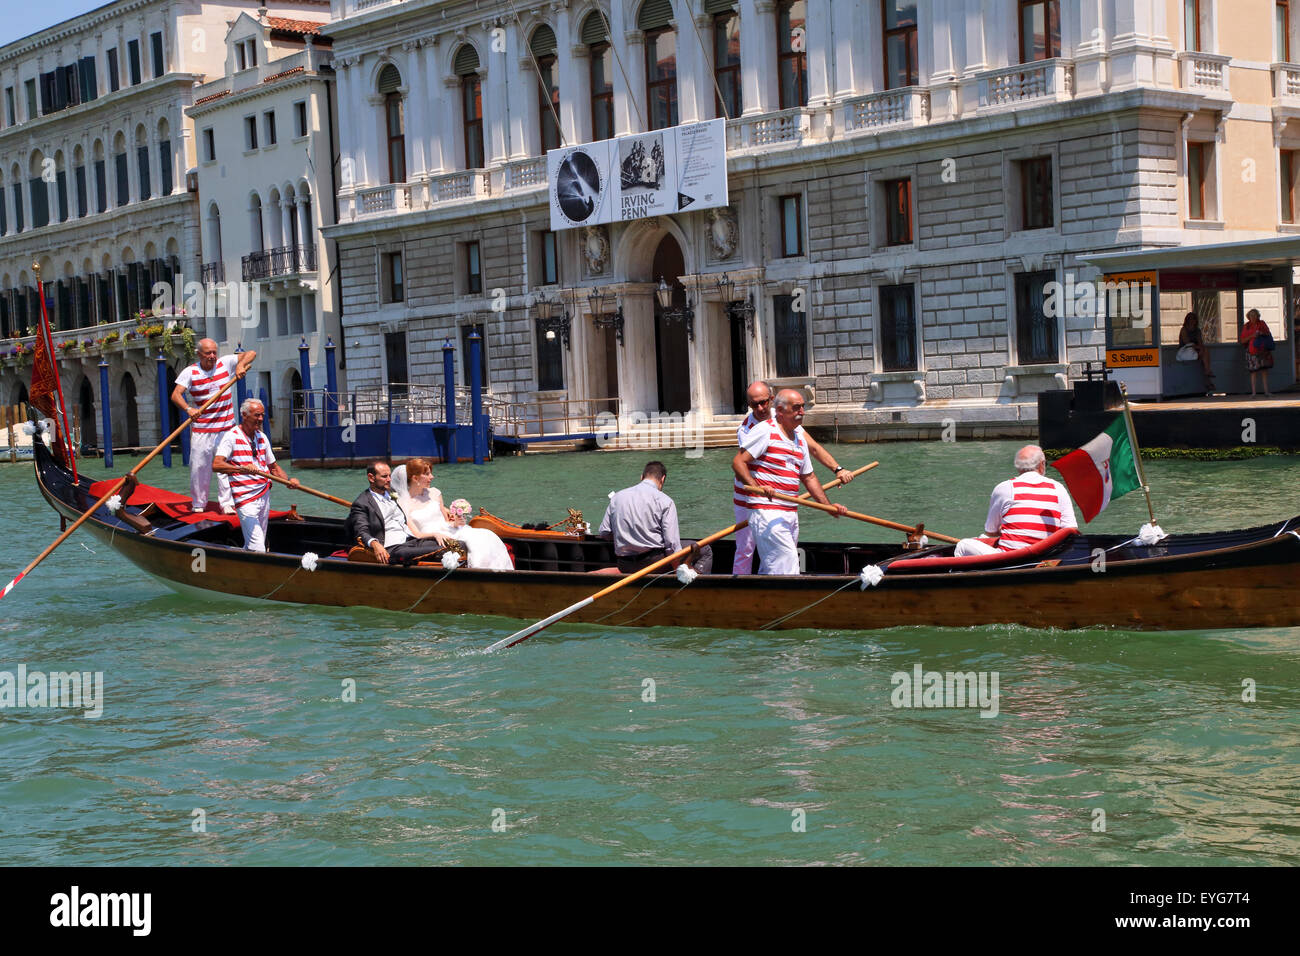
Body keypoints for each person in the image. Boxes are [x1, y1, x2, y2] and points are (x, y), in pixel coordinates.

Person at [732, 379, 853, 574]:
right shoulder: (754, 430)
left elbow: (810, 474)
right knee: (749, 550)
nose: (761, 407)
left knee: (781, 563)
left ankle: (760, 594)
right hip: (759, 502)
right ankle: (739, 588)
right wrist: (757, 487)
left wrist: (829, 503)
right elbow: (739, 462)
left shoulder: (795, 432)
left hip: (787, 507)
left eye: (764, 402)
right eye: (755, 404)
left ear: (772, 400)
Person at [171, 339, 257, 514]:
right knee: (199, 468)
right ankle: (198, 504)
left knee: (225, 466)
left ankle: (227, 504)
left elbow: (252, 354)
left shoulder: (225, 363)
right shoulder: (190, 372)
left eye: (214, 352)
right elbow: (176, 395)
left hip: (226, 428)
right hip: (202, 430)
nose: (212, 356)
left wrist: (240, 365)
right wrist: (189, 409)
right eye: (208, 353)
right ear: (199, 354)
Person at [953, 445, 1077, 557]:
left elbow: (990, 532)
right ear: (1042, 464)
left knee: (963, 545)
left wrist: (1003, 530)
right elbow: (1070, 529)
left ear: (1018, 466)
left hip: (1011, 557)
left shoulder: (1004, 488)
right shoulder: (1058, 488)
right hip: (1047, 555)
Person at [393, 458, 513, 570]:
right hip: (431, 537)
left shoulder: (434, 493)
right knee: (474, 542)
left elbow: (446, 521)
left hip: (449, 529)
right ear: (415, 478)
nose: (432, 477)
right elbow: (417, 534)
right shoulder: (403, 504)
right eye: (427, 474)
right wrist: (435, 534)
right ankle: (479, 573)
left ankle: (500, 572)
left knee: (487, 535)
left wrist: (456, 522)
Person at [212, 398, 297, 552]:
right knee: (258, 547)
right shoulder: (231, 436)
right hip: (245, 499)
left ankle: (238, 560)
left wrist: (288, 481)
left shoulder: (262, 438)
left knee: (257, 544)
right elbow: (216, 465)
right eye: (257, 415)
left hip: (264, 495)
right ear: (244, 415)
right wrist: (241, 469)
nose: (261, 419)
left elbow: (274, 468)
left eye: (262, 415)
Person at [598, 461, 713, 574]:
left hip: (625, 565)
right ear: (662, 479)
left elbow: (604, 532)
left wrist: (626, 538)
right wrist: (677, 571)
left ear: (642, 477)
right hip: (654, 564)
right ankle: (696, 585)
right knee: (705, 549)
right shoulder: (665, 501)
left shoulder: (617, 498)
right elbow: (671, 545)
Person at [345, 461, 459, 565]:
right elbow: (361, 531)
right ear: (371, 477)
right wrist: (375, 544)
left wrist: (446, 510)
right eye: (384, 476)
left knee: (458, 544)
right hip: (393, 547)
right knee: (445, 549)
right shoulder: (362, 503)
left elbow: (416, 501)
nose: (389, 479)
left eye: (390, 475)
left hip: (412, 540)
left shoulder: (393, 494)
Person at [1238, 308, 1274, 398]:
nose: (1253, 317)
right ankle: (1254, 393)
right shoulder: (1247, 326)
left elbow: (1268, 333)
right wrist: (1252, 336)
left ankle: (1266, 392)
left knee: (1264, 370)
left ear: (1258, 316)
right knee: (1253, 372)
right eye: (1251, 315)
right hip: (1252, 351)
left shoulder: (1262, 323)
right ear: (1248, 317)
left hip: (1263, 350)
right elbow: (1242, 340)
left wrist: (1261, 333)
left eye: (1255, 315)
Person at [1177, 312, 1214, 394]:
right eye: (1190, 319)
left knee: (1205, 352)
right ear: (1187, 320)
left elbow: (1200, 342)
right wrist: (1199, 348)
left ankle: (1207, 373)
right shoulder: (1184, 329)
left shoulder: (1197, 330)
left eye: (1194, 319)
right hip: (1186, 351)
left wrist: (1200, 348)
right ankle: (1207, 378)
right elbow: (1187, 342)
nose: (1192, 321)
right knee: (1203, 354)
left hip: (1196, 350)